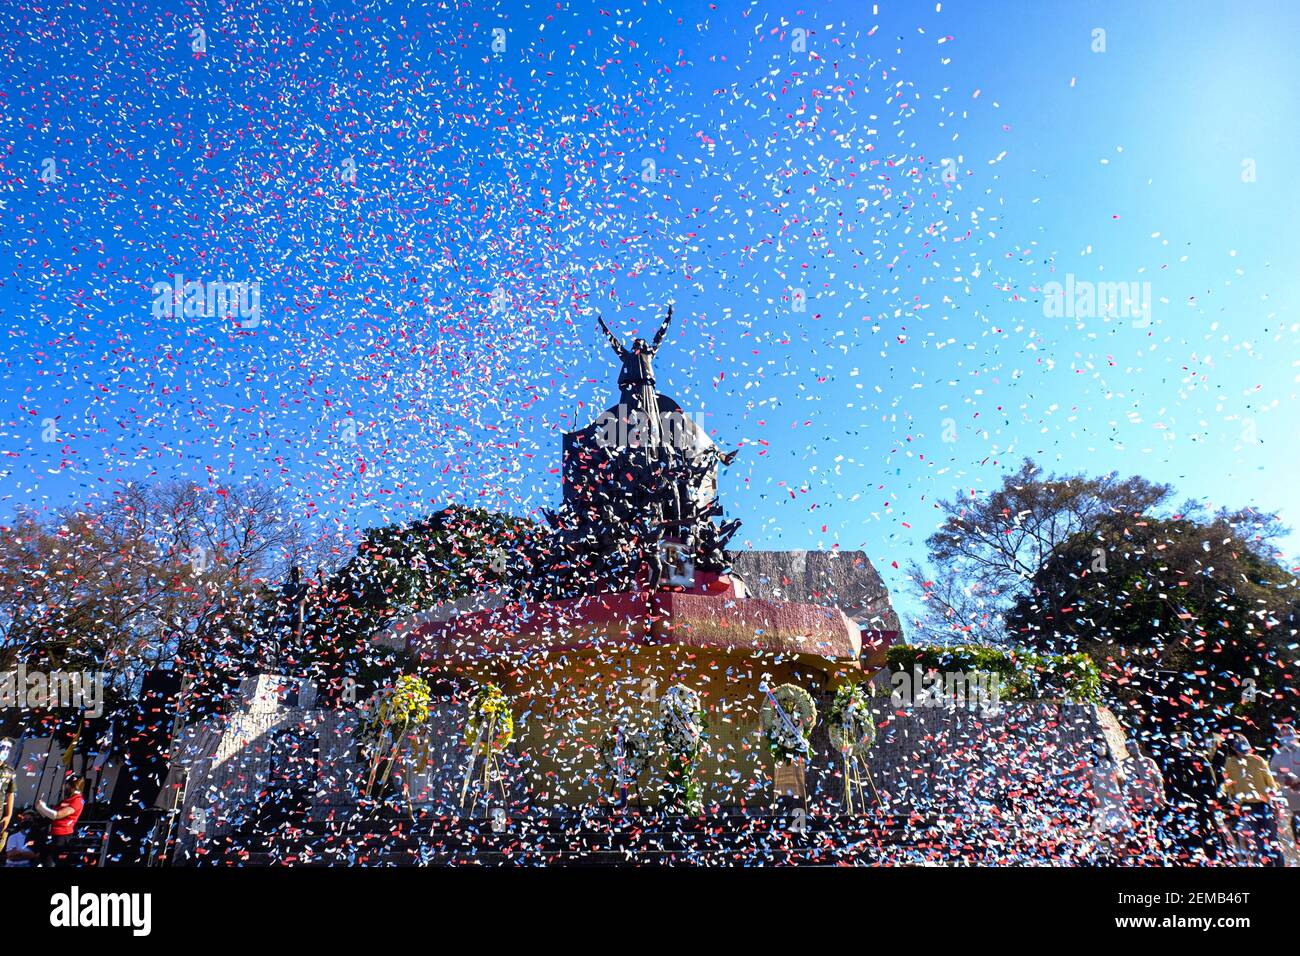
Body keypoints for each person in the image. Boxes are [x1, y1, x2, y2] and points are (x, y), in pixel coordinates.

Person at [1219, 734, 1282, 866]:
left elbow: (1271, 785)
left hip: (1264, 805)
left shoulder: (1258, 760)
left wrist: (1275, 804)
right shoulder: (1230, 763)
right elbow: (1229, 788)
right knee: (1258, 842)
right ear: (1233, 747)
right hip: (1247, 808)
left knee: (1272, 840)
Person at [1162, 731, 1221, 863]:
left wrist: (1213, 799)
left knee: (1208, 834)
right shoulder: (1170, 758)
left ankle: (1213, 860)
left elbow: (1210, 779)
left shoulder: (1198, 756)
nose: (1180, 740)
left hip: (1201, 802)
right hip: (1182, 805)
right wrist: (1171, 803)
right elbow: (1167, 782)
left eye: (1182, 737)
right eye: (1177, 737)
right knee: (1188, 838)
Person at [35, 776, 86, 866]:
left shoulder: (77, 800)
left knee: (51, 862)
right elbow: (50, 816)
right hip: (53, 835)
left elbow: (57, 815)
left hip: (62, 836)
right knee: (42, 860)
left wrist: (44, 807)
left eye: (66, 785)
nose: (64, 787)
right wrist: (40, 808)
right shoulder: (65, 800)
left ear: (72, 787)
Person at [1268, 723, 1300, 856]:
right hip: (1290, 797)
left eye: (1288, 734)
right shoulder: (1278, 755)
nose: (1286, 736)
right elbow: (1271, 774)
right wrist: (1283, 779)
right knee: (1296, 823)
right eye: (1284, 734)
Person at [0, 737, 15, 850]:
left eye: (8, 748)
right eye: (2, 747)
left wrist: (9, 815)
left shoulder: (10, 771)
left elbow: (10, 793)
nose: (5, 750)